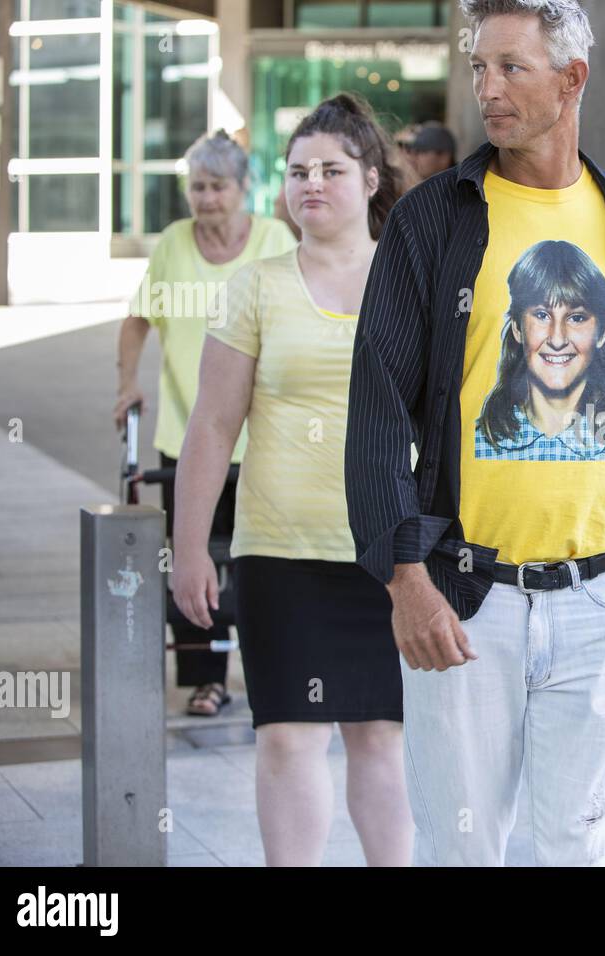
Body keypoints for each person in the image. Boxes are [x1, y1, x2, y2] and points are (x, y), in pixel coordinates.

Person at [344, 0, 605, 866]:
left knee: (587, 849)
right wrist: (406, 583)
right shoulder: (431, 222)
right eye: (478, 68)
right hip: (466, 600)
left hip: (604, 603)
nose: (486, 89)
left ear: (572, 79)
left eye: (510, 68)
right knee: (462, 850)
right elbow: (378, 408)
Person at [172, 93, 413, 866]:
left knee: (381, 737)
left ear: (371, 179)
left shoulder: (412, 282)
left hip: (388, 556)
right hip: (280, 551)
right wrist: (188, 549)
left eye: (331, 170)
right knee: (288, 737)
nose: (311, 183)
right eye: (298, 171)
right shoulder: (257, 286)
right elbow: (212, 425)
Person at [113, 130, 296, 718]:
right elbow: (138, 320)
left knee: (261, 563)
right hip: (188, 438)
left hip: (265, 440)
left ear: (244, 188)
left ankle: (274, 671)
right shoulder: (172, 244)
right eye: (197, 186)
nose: (207, 198)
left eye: (218, 186)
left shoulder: (272, 239)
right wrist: (127, 382)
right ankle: (204, 678)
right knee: (189, 560)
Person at [475, 239, 605, 460]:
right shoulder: (482, 441)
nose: (557, 339)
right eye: (542, 315)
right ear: (517, 327)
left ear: (602, 333)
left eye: (576, 317)